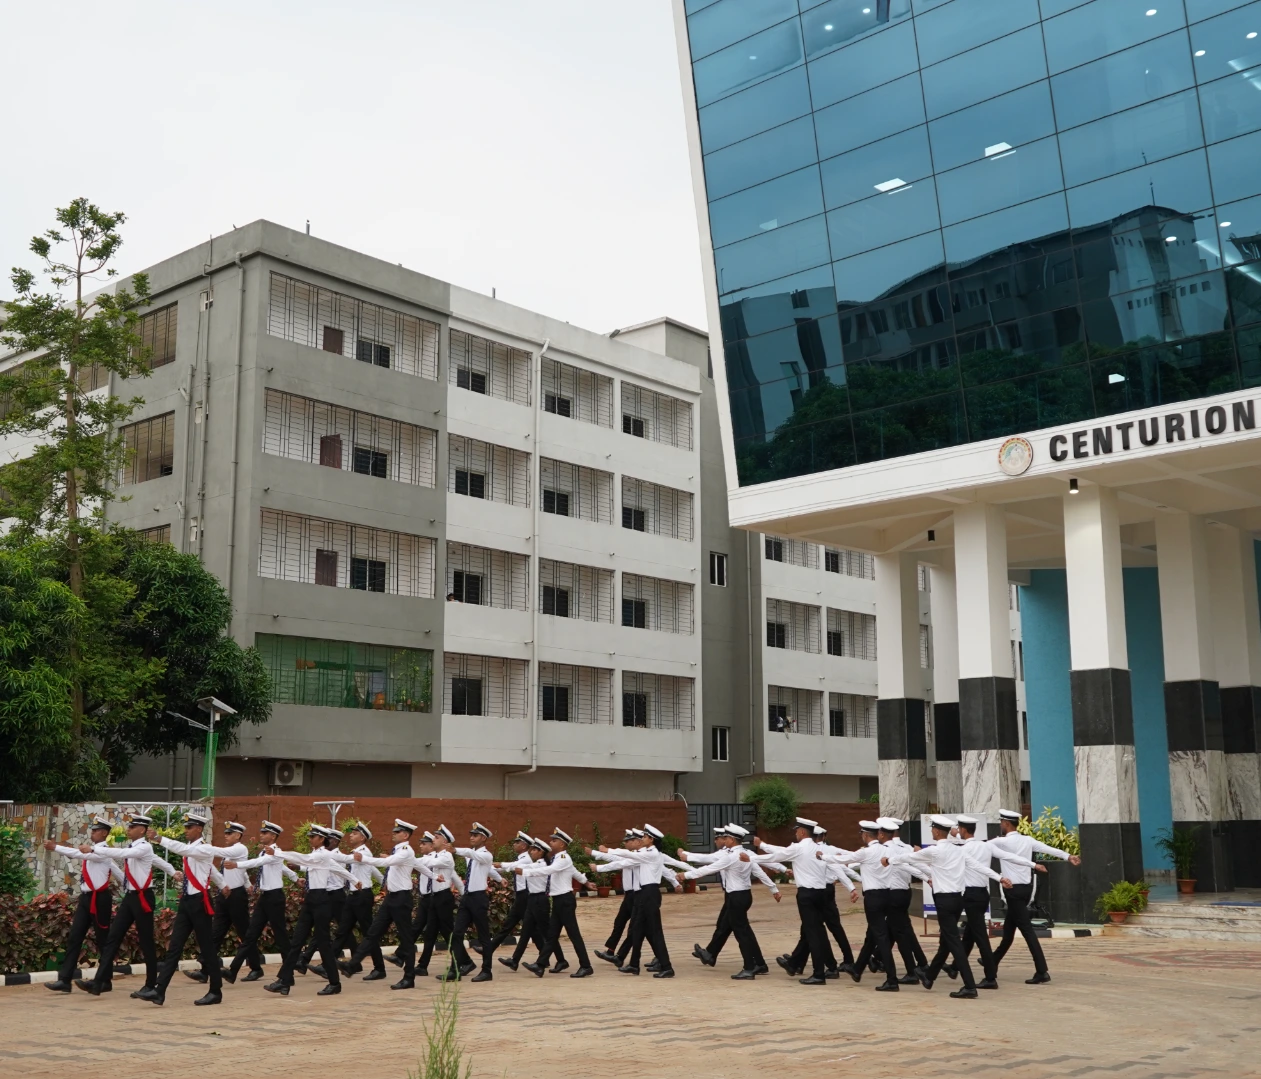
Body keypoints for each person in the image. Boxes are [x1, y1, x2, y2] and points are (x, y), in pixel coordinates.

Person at [884, 815, 1012, 999]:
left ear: (936, 831)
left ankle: (969, 986)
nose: (932, 832)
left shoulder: (935, 851)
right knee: (947, 939)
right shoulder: (959, 851)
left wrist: (889, 860)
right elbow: (978, 866)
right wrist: (999, 878)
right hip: (958, 900)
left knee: (953, 942)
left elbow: (909, 857)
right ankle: (929, 976)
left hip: (944, 901)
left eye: (932, 829)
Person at [73, 814, 177, 998]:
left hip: (143, 897)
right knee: (113, 938)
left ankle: (151, 984)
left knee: (146, 942)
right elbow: (156, 861)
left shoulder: (144, 846)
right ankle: (98, 983)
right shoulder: (136, 847)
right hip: (130, 898)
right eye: (129, 826)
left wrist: (95, 850)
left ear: (142, 830)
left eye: (132, 827)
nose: (128, 830)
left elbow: (123, 855)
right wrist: (173, 871)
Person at [144, 810, 233, 1006]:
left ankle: (215, 991)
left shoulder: (203, 848)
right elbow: (210, 870)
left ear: (199, 829)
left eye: (189, 827)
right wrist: (222, 884)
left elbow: (183, 850)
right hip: (187, 901)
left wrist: (160, 838)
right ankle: (159, 991)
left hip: (200, 902)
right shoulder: (195, 849)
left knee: (207, 947)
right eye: (185, 827)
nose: (186, 830)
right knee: (175, 946)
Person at [987, 808, 1081, 984]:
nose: (1001, 825)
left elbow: (979, 846)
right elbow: (1049, 849)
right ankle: (992, 960)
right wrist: (1068, 856)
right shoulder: (1027, 840)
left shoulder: (1000, 842)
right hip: (1025, 890)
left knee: (1027, 931)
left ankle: (1042, 970)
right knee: (1008, 931)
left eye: (1001, 822)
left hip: (1012, 890)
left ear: (1006, 824)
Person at [947, 814, 1041, 988]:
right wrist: (1033, 865)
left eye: (959, 829)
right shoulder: (986, 846)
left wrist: (999, 877)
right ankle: (954, 967)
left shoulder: (970, 848)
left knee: (981, 935)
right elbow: (1010, 857)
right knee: (975, 932)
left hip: (975, 894)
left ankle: (991, 976)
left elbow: (978, 865)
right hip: (985, 894)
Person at [677, 824, 778, 979]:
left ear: (731, 839)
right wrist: (773, 889)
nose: (724, 840)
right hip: (744, 895)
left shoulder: (731, 857)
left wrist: (686, 875)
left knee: (741, 934)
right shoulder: (745, 854)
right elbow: (758, 871)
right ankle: (759, 963)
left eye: (725, 838)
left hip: (735, 897)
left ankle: (749, 968)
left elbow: (709, 868)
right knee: (744, 931)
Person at [340, 819, 432, 989]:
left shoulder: (405, 850)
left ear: (405, 835)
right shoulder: (399, 851)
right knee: (373, 933)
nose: (393, 834)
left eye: (397, 832)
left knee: (406, 939)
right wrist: (435, 877)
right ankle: (352, 965)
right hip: (391, 898)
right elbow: (419, 866)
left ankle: (409, 978)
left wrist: (366, 859)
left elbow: (386, 863)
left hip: (402, 898)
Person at [264, 826, 354, 996]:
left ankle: (335, 983)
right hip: (311, 900)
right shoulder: (317, 856)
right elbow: (335, 869)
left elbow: (304, 859)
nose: (310, 838)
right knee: (297, 942)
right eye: (310, 836)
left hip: (321, 900)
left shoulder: (322, 854)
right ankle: (284, 981)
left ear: (321, 839)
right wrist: (355, 880)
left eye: (313, 836)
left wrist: (278, 853)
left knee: (323, 943)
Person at [591, 824, 688, 977]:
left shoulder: (652, 853)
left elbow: (629, 856)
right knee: (637, 929)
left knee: (654, 931)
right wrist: (600, 867)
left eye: (645, 837)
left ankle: (667, 967)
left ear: (651, 840)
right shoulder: (645, 853)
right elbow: (624, 861)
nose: (642, 839)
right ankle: (634, 964)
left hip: (650, 894)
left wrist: (607, 850)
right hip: (644, 894)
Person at [43, 816, 122, 994]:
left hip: (100, 899)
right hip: (87, 898)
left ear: (104, 833)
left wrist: (56, 847)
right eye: (92, 830)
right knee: (75, 936)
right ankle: (65, 980)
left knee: (103, 940)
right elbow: (117, 871)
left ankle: (105, 981)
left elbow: (77, 854)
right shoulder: (96, 852)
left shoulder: (102, 852)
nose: (92, 833)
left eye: (95, 831)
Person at [751, 816, 835, 985]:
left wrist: (752, 858)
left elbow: (777, 856)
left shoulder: (798, 848)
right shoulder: (820, 849)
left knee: (813, 934)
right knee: (814, 931)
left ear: (803, 832)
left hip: (807, 895)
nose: (795, 834)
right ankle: (796, 963)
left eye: (797, 831)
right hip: (821, 894)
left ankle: (819, 974)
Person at [820, 820, 901, 991]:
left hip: (873, 897)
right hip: (888, 894)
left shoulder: (866, 852)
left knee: (881, 937)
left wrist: (822, 856)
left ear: (865, 835)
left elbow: (843, 859)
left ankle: (892, 979)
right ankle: (857, 969)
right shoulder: (887, 849)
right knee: (872, 935)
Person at [185, 821, 260, 985]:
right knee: (216, 933)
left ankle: (256, 967)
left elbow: (222, 853)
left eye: (229, 833)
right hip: (224, 896)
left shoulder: (239, 848)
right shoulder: (230, 853)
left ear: (238, 835)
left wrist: (203, 847)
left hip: (236, 896)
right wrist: (248, 884)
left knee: (244, 932)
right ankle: (205, 971)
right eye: (225, 833)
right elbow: (242, 871)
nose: (225, 836)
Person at [223, 820, 297, 984]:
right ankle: (232, 971)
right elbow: (280, 867)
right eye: (261, 832)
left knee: (281, 938)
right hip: (265, 898)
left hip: (275, 898)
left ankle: (288, 976)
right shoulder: (266, 852)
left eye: (265, 833)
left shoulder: (274, 852)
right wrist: (295, 877)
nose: (261, 835)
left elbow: (258, 863)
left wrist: (237, 864)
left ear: (273, 836)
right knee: (250, 935)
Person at [310, 821, 384, 980]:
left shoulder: (364, 853)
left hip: (362, 895)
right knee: (342, 931)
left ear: (363, 838)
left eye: (355, 833)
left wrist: (324, 853)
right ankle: (326, 965)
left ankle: (379, 968)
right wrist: (385, 881)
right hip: (353, 895)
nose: (351, 835)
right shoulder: (357, 853)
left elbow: (346, 860)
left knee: (368, 932)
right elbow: (373, 870)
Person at [519, 828, 593, 978]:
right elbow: (574, 872)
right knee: (552, 935)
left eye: (554, 841)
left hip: (565, 900)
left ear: (562, 844)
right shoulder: (559, 858)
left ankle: (586, 966)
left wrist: (525, 872)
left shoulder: (564, 858)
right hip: (559, 900)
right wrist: (586, 882)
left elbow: (549, 870)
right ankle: (540, 965)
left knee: (574, 935)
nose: (551, 843)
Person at [497, 836, 567, 971]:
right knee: (525, 932)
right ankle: (515, 960)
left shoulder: (541, 865)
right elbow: (521, 866)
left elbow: (525, 867)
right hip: (532, 900)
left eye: (535, 850)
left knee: (547, 933)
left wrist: (501, 865)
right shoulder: (537, 864)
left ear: (541, 852)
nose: (532, 852)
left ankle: (561, 960)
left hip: (541, 901)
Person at [443, 822, 497, 982]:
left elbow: (472, 855)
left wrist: (455, 850)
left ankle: (487, 971)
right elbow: (487, 870)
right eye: (471, 835)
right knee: (457, 934)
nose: (471, 838)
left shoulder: (486, 855)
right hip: (467, 897)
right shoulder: (472, 855)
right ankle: (457, 967)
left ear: (484, 838)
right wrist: (500, 878)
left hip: (479, 898)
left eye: (475, 835)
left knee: (483, 936)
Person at [593, 829, 642, 966]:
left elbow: (617, 862)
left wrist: (599, 867)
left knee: (639, 929)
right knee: (619, 922)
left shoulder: (641, 856)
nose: (625, 843)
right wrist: (595, 853)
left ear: (637, 841)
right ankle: (611, 951)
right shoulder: (628, 855)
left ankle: (658, 957)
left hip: (639, 895)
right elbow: (614, 858)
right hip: (629, 895)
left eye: (628, 841)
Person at [415, 825, 459, 976]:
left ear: (445, 842)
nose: (433, 839)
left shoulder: (446, 856)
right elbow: (423, 860)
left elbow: (426, 863)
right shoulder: (436, 856)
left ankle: (459, 965)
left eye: (437, 837)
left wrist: (406, 860)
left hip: (443, 897)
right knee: (430, 933)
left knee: (448, 934)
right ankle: (422, 966)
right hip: (435, 897)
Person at [478, 830, 531, 956]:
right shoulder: (520, 858)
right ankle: (490, 949)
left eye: (517, 842)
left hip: (525, 896)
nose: (514, 845)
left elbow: (513, 866)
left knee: (528, 928)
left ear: (523, 846)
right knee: (511, 925)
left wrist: (499, 864)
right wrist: (488, 868)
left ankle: (547, 958)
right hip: (521, 896)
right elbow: (503, 868)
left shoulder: (526, 859)